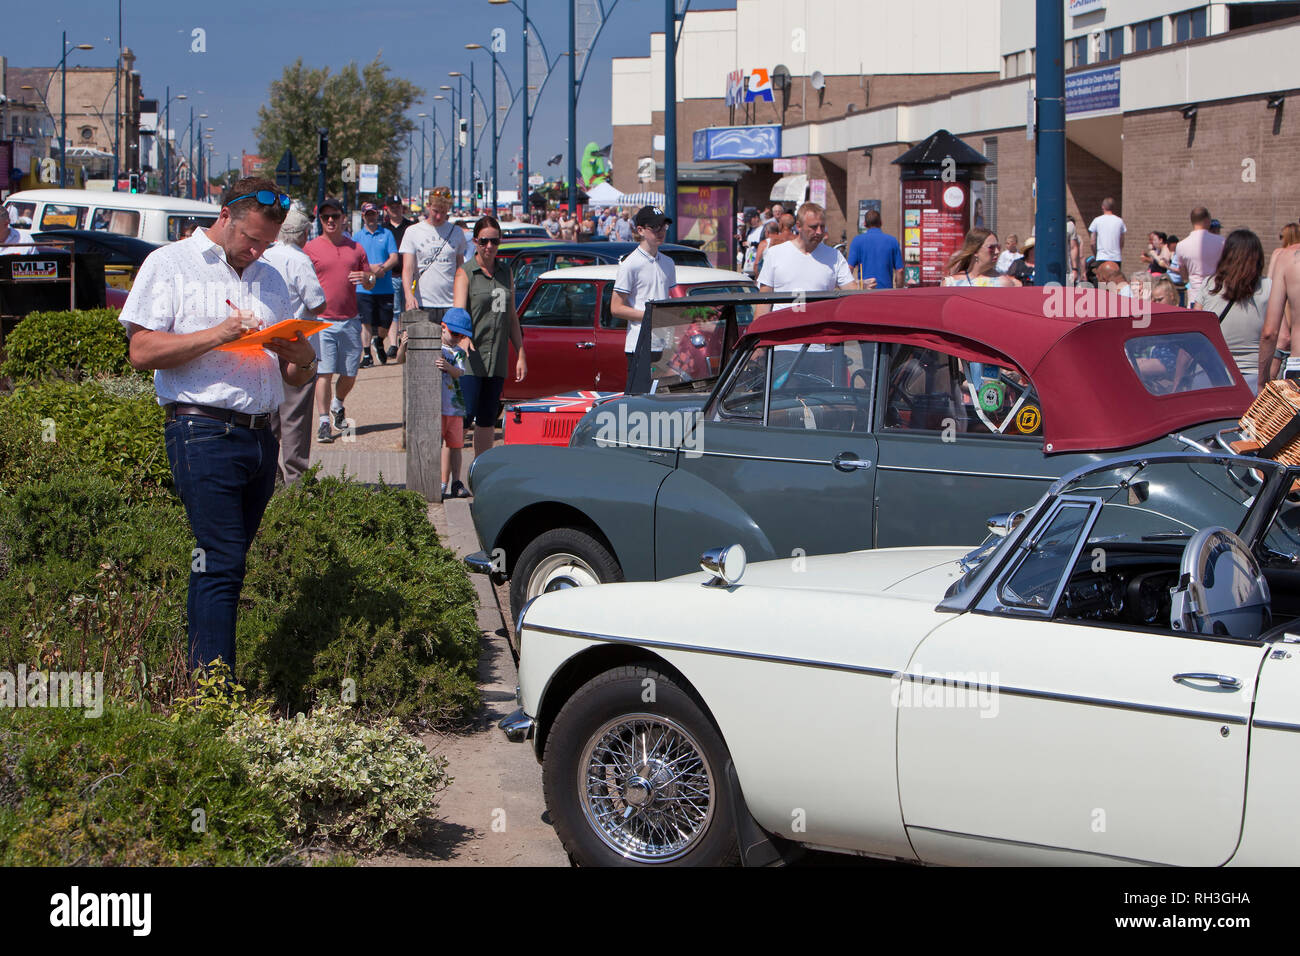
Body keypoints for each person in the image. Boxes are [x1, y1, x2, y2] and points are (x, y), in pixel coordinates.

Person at [118, 177, 315, 672]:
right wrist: (219, 334)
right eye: (251, 238)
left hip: (260, 435)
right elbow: (141, 351)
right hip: (201, 430)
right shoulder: (170, 264)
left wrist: (303, 358)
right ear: (224, 216)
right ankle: (212, 689)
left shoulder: (269, 276)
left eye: (267, 243)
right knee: (220, 558)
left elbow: (292, 375)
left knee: (226, 563)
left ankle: (204, 679)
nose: (257, 250)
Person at [261, 208, 328, 484]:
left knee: (270, 418)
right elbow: (317, 303)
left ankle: (270, 477)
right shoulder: (299, 259)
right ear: (303, 234)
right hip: (298, 347)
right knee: (295, 419)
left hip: (267, 345)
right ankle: (296, 481)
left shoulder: (265, 255)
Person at [452, 215, 526, 460]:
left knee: (487, 419)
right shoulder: (466, 273)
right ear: (475, 241)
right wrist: (462, 337)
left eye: (494, 241)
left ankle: (479, 473)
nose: (489, 247)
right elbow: (458, 313)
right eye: (484, 241)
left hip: (497, 358)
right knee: (463, 418)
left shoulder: (506, 272)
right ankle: (450, 477)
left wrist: (521, 354)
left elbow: (512, 317)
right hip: (471, 358)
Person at [305, 197, 376, 444]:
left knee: (350, 371)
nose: (331, 220)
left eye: (335, 216)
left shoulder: (356, 248)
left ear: (344, 218)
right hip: (322, 320)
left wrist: (367, 278)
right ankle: (324, 422)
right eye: (325, 217)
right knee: (323, 372)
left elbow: (370, 280)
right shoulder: (311, 248)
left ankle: (338, 404)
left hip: (350, 319)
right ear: (320, 221)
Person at [1193, 229, 1270, 391]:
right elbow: (1276, 334)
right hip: (1253, 379)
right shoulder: (1268, 287)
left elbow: (1194, 330)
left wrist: (1179, 379)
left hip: (1209, 375)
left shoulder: (1209, 285)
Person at [612, 205, 678, 379]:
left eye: (663, 226)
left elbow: (672, 299)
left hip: (664, 344)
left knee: (662, 398)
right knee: (640, 400)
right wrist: (650, 316)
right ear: (640, 230)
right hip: (639, 345)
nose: (661, 231)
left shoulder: (668, 263)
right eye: (655, 227)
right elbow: (616, 308)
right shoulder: (630, 264)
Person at [757, 202, 860, 312]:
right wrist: (757, 328)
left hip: (819, 326)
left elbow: (852, 292)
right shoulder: (775, 253)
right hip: (784, 326)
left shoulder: (834, 256)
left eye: (822, 226)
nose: (819, 232)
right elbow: (764, 302)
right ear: (799, 226)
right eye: (814, 227)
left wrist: (864, 289)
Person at [400, 186, 468, 330]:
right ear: (428, 206)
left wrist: (461, 301)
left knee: (448, 351)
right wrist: (408, 295)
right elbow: (407, 268)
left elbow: (460, 268)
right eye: (435, 211)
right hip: (423, 302)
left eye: (443, 212)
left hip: (450, 303)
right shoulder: (413, 232)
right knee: (423, 349)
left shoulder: (456, 233)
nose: (438, 216)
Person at [353, 202, 399, 368]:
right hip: (363, 288)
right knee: (365, 322)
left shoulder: (386, 234)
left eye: (373, 214)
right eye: (368, 214)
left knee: (385, 322)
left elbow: (394, 257)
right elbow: (353, 260)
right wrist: (368, 269)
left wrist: (382, 268)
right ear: (363, 216)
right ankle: (367, 355)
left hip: (385, 287)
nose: (371, 217)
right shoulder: (357, 237)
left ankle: (379, 341)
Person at [436, 306, 474, 498]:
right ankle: (442, 482)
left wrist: (448, 367)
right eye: (455, 333)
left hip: (456, 407)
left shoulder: (458, 352)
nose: (458, 338)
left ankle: (456, 481)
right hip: (439, 406)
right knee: (443, 444)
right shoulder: (436, 347)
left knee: (456, 445)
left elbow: (459, 372)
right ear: (443, 327)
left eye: (462, 336)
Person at [382, 196, 415, 361]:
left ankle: (407, 342)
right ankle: (393, 344)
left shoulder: (411, 227)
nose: (395, 209)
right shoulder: (384, 229)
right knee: (394, 311)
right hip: (392, 275)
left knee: (409, 309)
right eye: (392, 207)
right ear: (387, 209)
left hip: (410, 276)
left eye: (398, 206)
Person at [1177, 206, 1225, 303]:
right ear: (1207, 220)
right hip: (1216, 294)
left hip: (1194, 295)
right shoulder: (1222, 242)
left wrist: (1188, 282)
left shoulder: (1181, 245)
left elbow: (1183, 272)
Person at [846, 209, 903, 289]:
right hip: (886, 293)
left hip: (864, 292)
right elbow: (900, 270)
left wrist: (852, 288)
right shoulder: (892, 241)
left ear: (865, 224)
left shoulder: (857, 241)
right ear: (881, 222)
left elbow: (849, 269)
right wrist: (898, 290)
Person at [943, 228, 1016, 287]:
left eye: (998, 247)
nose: (997, 251)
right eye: (991, 247)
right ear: (975, 251)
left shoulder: (1003, 283)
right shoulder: (951, 283)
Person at [1088, 197, 1126, 266]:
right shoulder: (1119, 221)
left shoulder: (1097, 220)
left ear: (1103, 207)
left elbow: (1092, 242)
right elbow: (1122, 241)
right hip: (1116, 258)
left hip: (1101, 257)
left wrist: (1096, 254)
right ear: (1113, 207)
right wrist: (1118, 252)